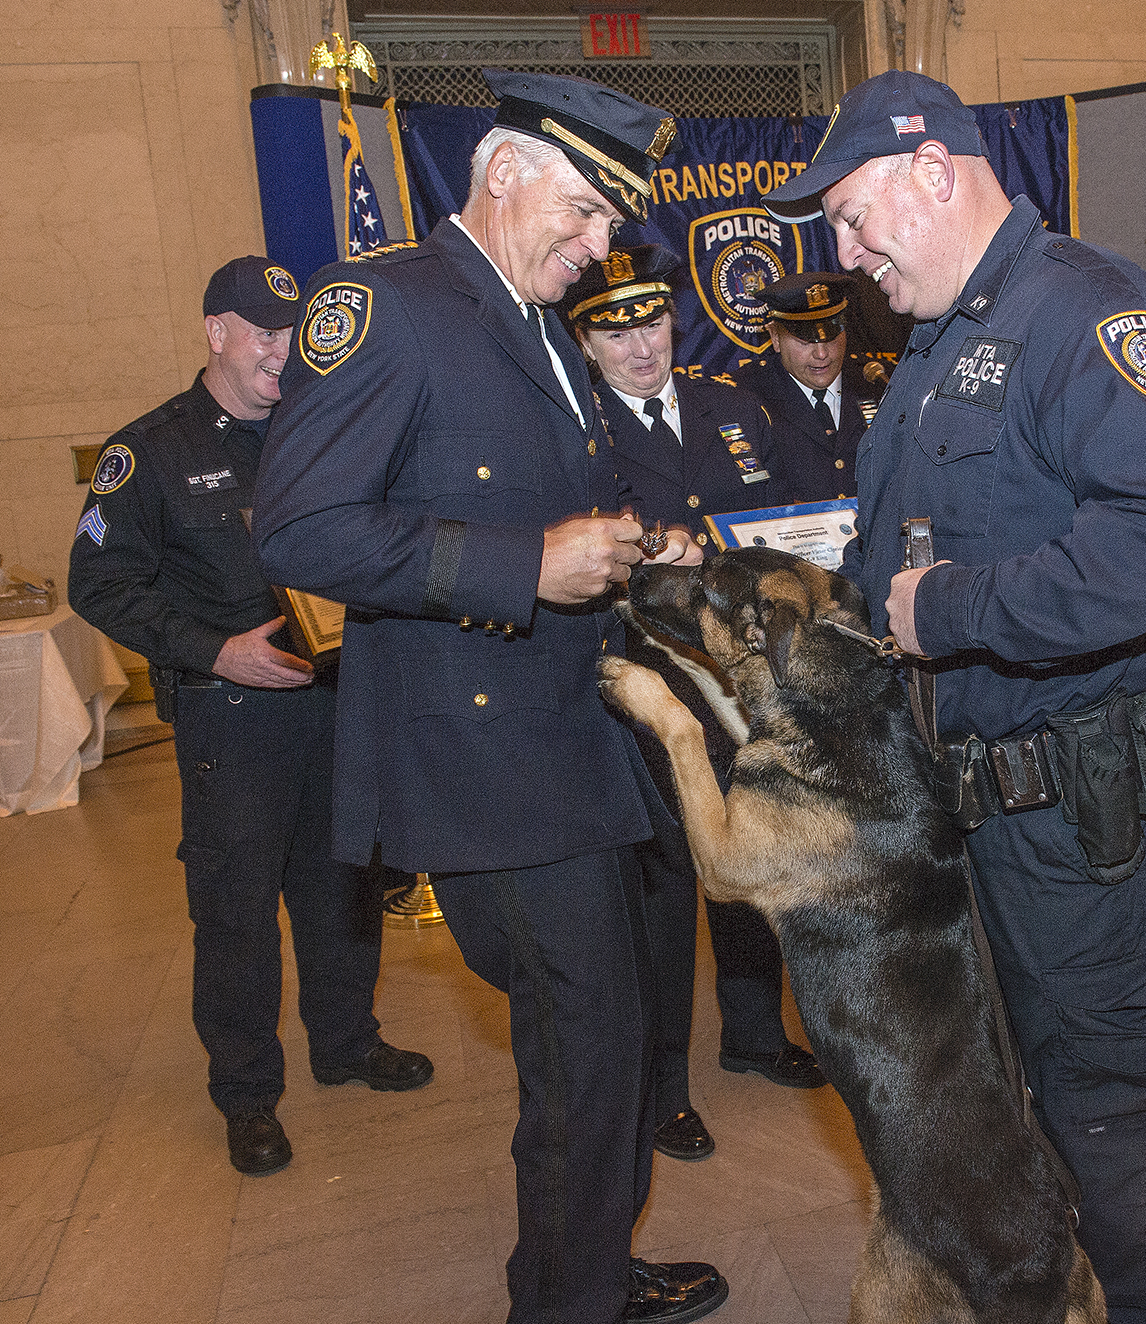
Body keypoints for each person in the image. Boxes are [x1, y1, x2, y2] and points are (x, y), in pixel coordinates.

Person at [762, 69, 1146, 1324]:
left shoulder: (1085, 311)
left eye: (862, 219)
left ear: (936, 169)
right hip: (978, 824)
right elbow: (898, 556)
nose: (854, 256)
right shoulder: (939, 341)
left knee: (1129, 1153)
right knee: (1020, 1145)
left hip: (1094, 832)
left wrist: (953, 609)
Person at [251, 70, 727, 1324]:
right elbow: (299, 530)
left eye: (606, 230)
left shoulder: (527, 316)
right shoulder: (389, 305)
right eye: (577, 216)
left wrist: (625, 545)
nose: (592, 249)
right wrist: (526, 567)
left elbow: (518, 495)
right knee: (584, 1054)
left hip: (578, 741)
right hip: (483, 766)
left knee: (616, 1044)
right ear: (505, 174)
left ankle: (587, 1269)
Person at [68, 257, 433, 1178]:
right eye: (264, 332)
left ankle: (346, 1043)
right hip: (232, 720)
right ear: (216, 331)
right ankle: (246, 1094)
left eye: (292, 331)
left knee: (345, 885)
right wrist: (214, 648)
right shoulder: (150, 450)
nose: (282, 351)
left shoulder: (322, 429)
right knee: (235, 910)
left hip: (338, 708)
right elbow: (98, 583)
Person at [563, 245, 826, 1168]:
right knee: (667, 886)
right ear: (583, 337)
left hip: (748, 678)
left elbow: (778, 518)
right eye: (613, 326)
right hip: (649, 684)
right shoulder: (576, 422)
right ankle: (663, 1084)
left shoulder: (726, 405)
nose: (640, 344)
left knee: (753, 848)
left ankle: (754, 1032)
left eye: (652, 320)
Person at [736, 270, 880, 500]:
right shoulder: (746, 396)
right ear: (775, 337)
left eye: (831, 338)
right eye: (806, 341)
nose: (822, 354)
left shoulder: (876, 383)